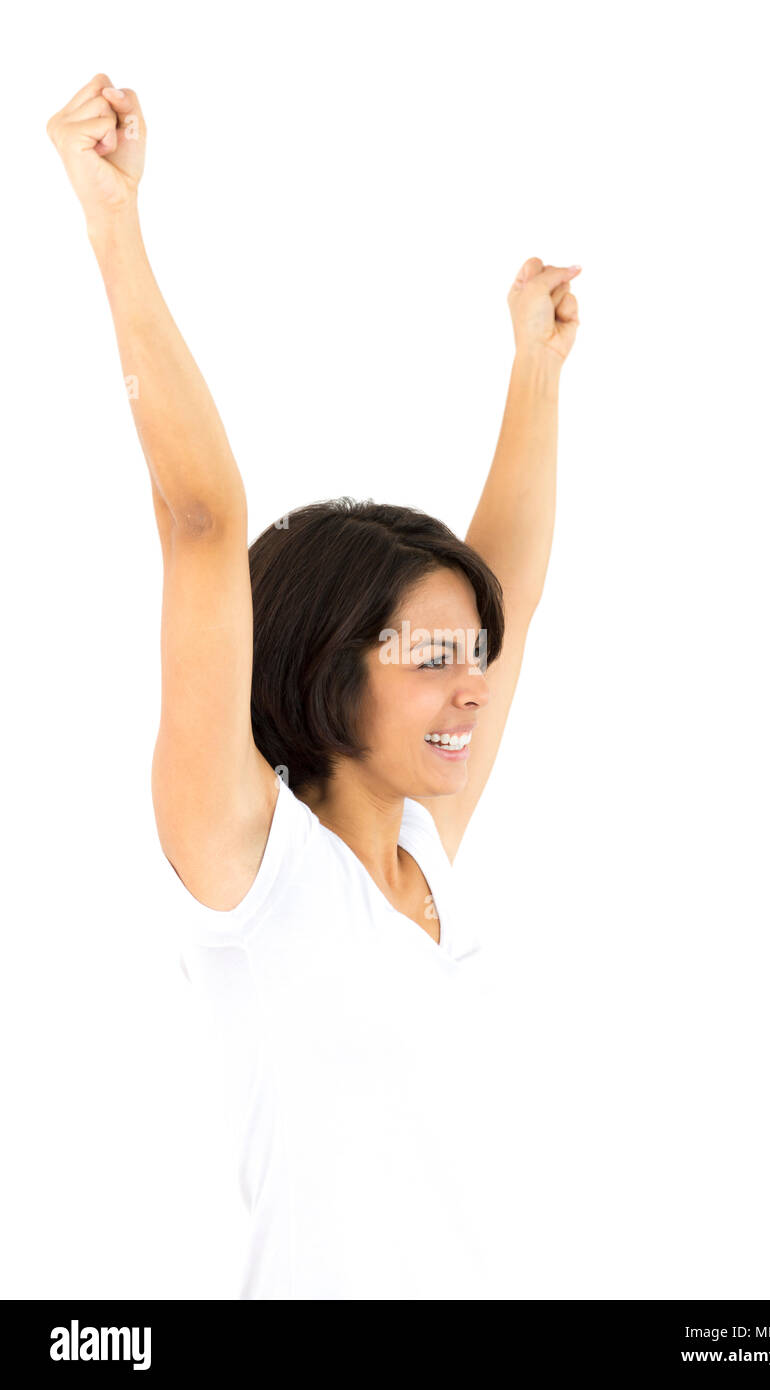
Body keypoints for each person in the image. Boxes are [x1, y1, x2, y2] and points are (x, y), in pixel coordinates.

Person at [46, 73, 582, 1299]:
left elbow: (512, 588)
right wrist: (113, 228)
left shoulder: (423, 856)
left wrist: (534, 372)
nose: (471, 690)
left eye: (475, 661)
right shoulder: (254, 872)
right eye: (430, 660)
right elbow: (199, 519)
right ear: (327, 671)